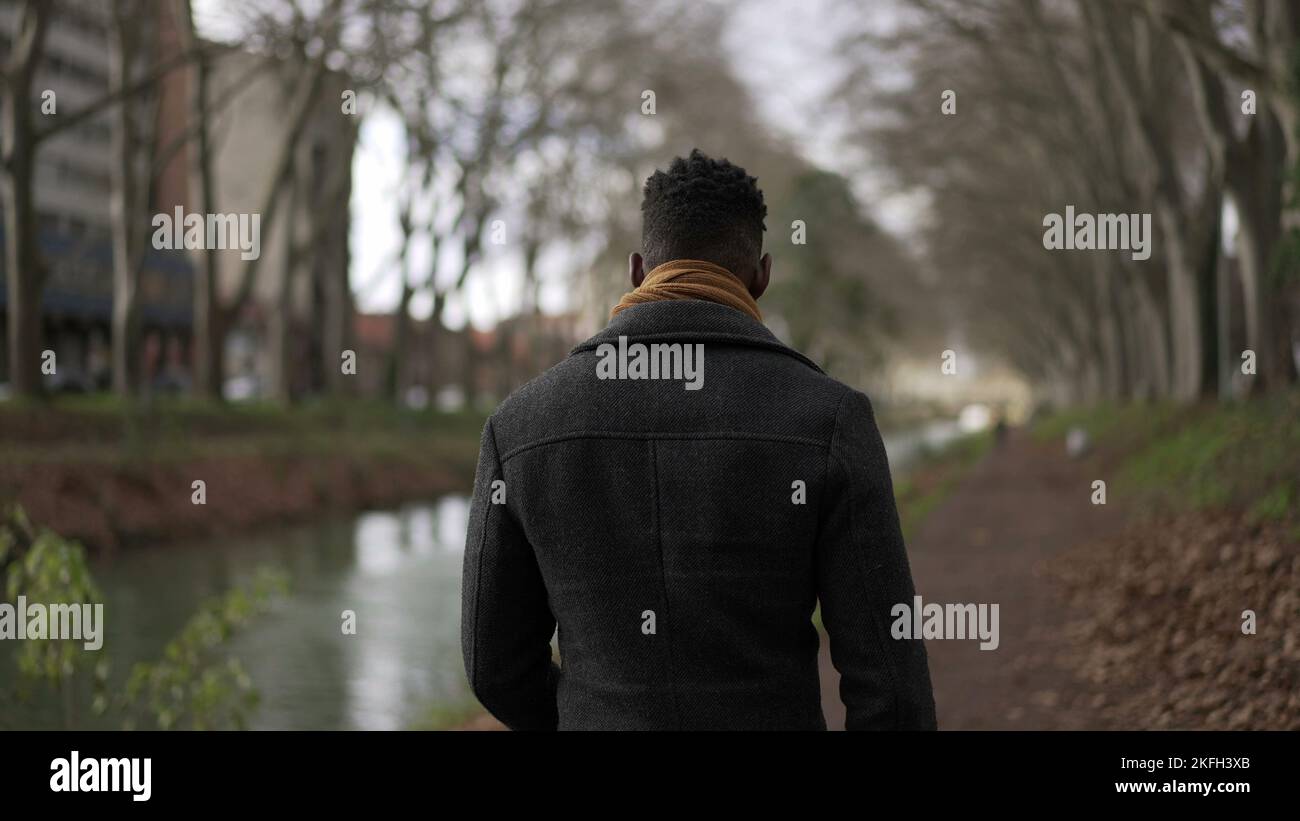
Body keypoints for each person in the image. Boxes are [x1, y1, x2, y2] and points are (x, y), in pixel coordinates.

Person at [461, 149, 936, 730]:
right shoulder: (831, 419)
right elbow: (893, 689)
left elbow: (494, 668)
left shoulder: (519, 426)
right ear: (761, 275)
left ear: (638, 269)